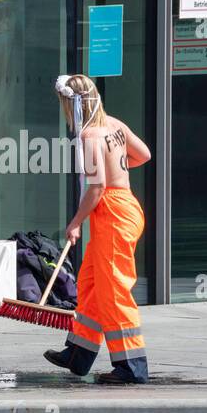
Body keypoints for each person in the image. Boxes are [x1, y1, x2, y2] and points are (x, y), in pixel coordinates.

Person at [44, 74, 151, 384]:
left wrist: (75, 223)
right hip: (122, 208)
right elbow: (143, 154)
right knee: (90, 283)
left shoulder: (90, 136)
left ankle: (131, 366)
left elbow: (96, 186)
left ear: (72, 105)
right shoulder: (115, 125)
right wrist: (118, 167)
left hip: (113, 214)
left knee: (113, 291)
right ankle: (78, 353)